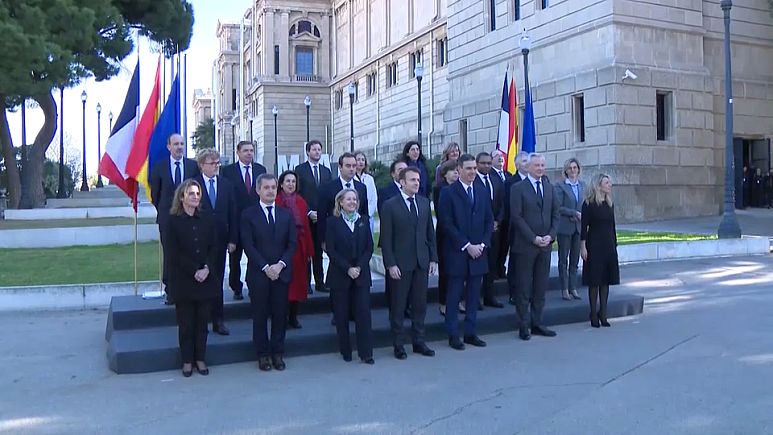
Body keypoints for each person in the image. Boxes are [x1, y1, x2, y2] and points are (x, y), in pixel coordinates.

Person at [241, 174, 297, 372]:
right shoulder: (248, 215)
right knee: (260, 316)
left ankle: (278, 353)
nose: (271, 191)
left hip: (281, 274)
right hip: (259, 274)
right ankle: (263, 355)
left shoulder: (286, 214)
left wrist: (280, 265)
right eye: (266, 187)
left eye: (274, 187)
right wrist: (266, 267)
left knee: (280, 316)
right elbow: (249, 245)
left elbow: (292, 244)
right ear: (258, 190)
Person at [381, 167, 438, 360]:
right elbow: (386, 239)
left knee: (419, 305)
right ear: (402, 182)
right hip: (400, 265)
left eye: (418, 180)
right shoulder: (390, 205)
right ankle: (398, 345)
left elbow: (430, 233)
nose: (416, 183)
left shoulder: (423, 203)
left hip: (421, 262)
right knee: (398, 306)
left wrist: (433, 258)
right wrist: (391, 264)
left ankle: (419, 342)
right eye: (412, 180)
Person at [437, 154, 493, 350]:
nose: (472, 172)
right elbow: (446, 223)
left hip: (479, 252)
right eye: (468, 168)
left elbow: (488, 220)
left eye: (474, 169)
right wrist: (466, 245)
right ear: (459, 170)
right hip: (457, 253)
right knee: (453, 296)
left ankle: (470, 333)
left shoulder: (482, 190)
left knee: (473, 296)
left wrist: (483, 244)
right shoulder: (448, 193)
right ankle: (453, 335)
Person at [164, 179, 218, 377]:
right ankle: (187, 360)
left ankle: (200, 358)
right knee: (186, 324)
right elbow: (172, 252)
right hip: (184, 280)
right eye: (191, 193)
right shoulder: (172, 221)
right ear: (182, 197)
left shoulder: (206, 218)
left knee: (202, 323)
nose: (195, 197)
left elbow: (214, 247)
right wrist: (194, 269)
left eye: (197, 193)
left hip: (205, 278)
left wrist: (206, 269)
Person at [509, 153, 559, 341]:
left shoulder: (549, 187)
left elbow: (556, 213)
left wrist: (551, 236)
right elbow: (517, 217)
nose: (540, 168)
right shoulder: (518, 188)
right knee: (523, 287)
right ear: (528, 167)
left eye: (542, 165)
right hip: (525, 246)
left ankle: (537, 323)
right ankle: (523, 325)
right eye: (536, 165)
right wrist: (533, 238)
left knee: (540, 286)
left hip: (545, 246)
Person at [325, 189, 375, 364]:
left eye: (355, 199)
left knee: (363, 315)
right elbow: (331, 249)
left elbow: (369, 247)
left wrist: (359, 267)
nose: (352, 202)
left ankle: (366, 352)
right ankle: (345, 350)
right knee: (341, 314)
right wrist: (348, 268)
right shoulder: (332, 223)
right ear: (340, 202)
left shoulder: (364, 221)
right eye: (349, 199)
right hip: (340, 274)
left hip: (361, 275)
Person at [149, 133, 200, 305]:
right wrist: (165, 211)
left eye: (182, 144)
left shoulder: (193, 166)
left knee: (190, 253)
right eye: (176, 144)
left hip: (190, 218)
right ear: (168, 146)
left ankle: (190, 287)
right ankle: (170, 290)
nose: (179, 147)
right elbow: (155, 194)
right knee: (171, 254)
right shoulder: (159, 167)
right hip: (167, 218)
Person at [194, 149, 238, 336]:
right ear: (202, 165)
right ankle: (201, 321)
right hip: (199, 241)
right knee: (200, 280)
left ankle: (218, 320)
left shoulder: (226, 185)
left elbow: (233, 213)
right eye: (212, 163)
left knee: (217, 280)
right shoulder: (193, 185)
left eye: (217, 163)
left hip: (220, 241)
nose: (216, 166)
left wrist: (233, 239)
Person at [221, 140, 267, 300]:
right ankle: (236, 286)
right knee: (235, 256)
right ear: (238, 152)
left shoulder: (260, 170)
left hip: (256, 220)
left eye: (251, 150)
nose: (249, 153)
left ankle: (254, 284)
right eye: (246, 150)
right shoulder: (227, 171)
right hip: (236, 219)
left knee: (257, 253)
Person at [580, 173, 620, 328]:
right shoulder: (588, 204)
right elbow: (584, 227)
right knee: (595, 280)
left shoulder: (609, 203)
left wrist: (614, 245)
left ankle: (603, 313)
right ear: (599, 185)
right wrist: (583, 247)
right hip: (594, 244)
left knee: (606, 280)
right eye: (607, 182)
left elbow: (613, 225)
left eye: (609, 182)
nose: (609, 185)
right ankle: (593, 313)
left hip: (608, 244)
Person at [276, 170, 314, 329]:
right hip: (283, 249)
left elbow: (306, 226)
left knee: (298, 285)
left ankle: (294, 316)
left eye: (293, 181)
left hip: (299, 248)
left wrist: (310, 251)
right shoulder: (277, 201)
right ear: (281, 184)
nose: (291, 184)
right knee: (284, 286)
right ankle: (281, 317)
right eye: (287, 181)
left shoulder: (301, 201)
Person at [295, 140, 333, 294]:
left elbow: (329, 194)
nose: (317, 152)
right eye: (314, 149)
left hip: (322, 217)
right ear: (308, 152)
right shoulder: (300, 170)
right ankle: (306, 283)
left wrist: (324, 213)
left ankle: (319, 282)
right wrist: (309, 212)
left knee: (318, 251)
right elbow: (298, 193)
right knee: (306, 252)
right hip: (306, 217)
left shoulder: (326, 171)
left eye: (319, 149)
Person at [318, 152, 369, 249]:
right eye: (348, 166)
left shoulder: (361, 188)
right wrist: (323, 240)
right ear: (340, 167)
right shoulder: (327, 188)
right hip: (336, 239)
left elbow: (364, 213)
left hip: (358, 237)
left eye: (354, 166)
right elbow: (322, 216)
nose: (351, 169)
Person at [475, 152, 505, 309]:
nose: (486, 166)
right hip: (479, 231)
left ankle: (489, 296)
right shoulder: (473, 182)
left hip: (495, 230)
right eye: (483, 163)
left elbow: (502, 204)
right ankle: (476, 297)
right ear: (477, 164)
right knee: (478, 265)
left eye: (488, 163)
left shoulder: (496, 181)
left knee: (491, 264)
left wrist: (497, 221)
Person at [554, 158, 586, 301]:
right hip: (565, 227)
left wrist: (583, 215)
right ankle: (564, 288)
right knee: (563, 260)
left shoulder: (583, 185)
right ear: (566, 170)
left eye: (575, 167)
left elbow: (585, 204)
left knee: (574, 260)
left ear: (578, 169)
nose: (573, 170)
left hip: (578, 228)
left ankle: (573, 287)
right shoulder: (560, 186)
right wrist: (574, 213)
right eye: (570, 168)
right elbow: (558, 207)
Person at [433, 160, 459, 317]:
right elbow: (441, 212)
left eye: (457, 170)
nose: (456, 173)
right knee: (445, 270)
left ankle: (459, 301)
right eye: (453, 171)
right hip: (445, 233)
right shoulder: (439, 189)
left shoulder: (460, 187)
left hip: (461, 233)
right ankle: (443, 302)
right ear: (445, 173)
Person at [504, 151, 530, 305]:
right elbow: (510, 207)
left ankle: (527, 292)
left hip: (533, 229)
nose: (528, 163)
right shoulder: (510, 182)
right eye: (525, 161)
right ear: (518, 164)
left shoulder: (535, 181)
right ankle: (513, 292)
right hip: (516, 228)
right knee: (515, 262)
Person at [490, 149, 511, 279]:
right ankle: (494, 272)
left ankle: (501, 268)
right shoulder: (490, 175)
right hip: (496, 217)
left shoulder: (508, 175)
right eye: (496, 156)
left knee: (505, 245)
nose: (500, 158)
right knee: (495, 247)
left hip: (508, 218)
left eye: (502, 156)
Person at [354, 151, 378, 234]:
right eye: (358, 159)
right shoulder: (351, 178)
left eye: (363, 160)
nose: (361, 162)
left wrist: (369, 212)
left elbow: (373, 197)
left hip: (368, 215)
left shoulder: (369, 179)